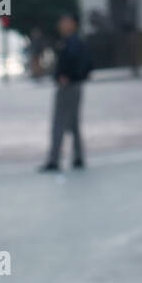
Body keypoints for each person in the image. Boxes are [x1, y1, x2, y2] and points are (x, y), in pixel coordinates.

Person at [38, 13, 92, 172]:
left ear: (73, 24)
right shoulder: (70, 42)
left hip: (68, 88)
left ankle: (54, 160)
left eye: (65, 22)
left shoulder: (73, 43)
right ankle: (78, 157)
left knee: (59, 123)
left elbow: (84, 65)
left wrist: (68, 77)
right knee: (73, 124)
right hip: (73, 86)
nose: (61, 25)